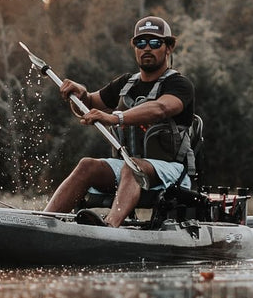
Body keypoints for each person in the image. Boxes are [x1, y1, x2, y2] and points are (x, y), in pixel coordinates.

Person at [44, 16, 199, 227]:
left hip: (172, 173)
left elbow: (160, 108)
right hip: (130, 168)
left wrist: (115, 117)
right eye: (140, 43)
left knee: (133, 166)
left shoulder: (180, 84)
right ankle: (43, 222)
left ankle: (109, 228)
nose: (147, 48)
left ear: (169, 47)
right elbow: (89, 106)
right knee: (87, 165)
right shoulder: (125, 83)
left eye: (155, 43)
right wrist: (80, 95)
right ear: (134, 47)